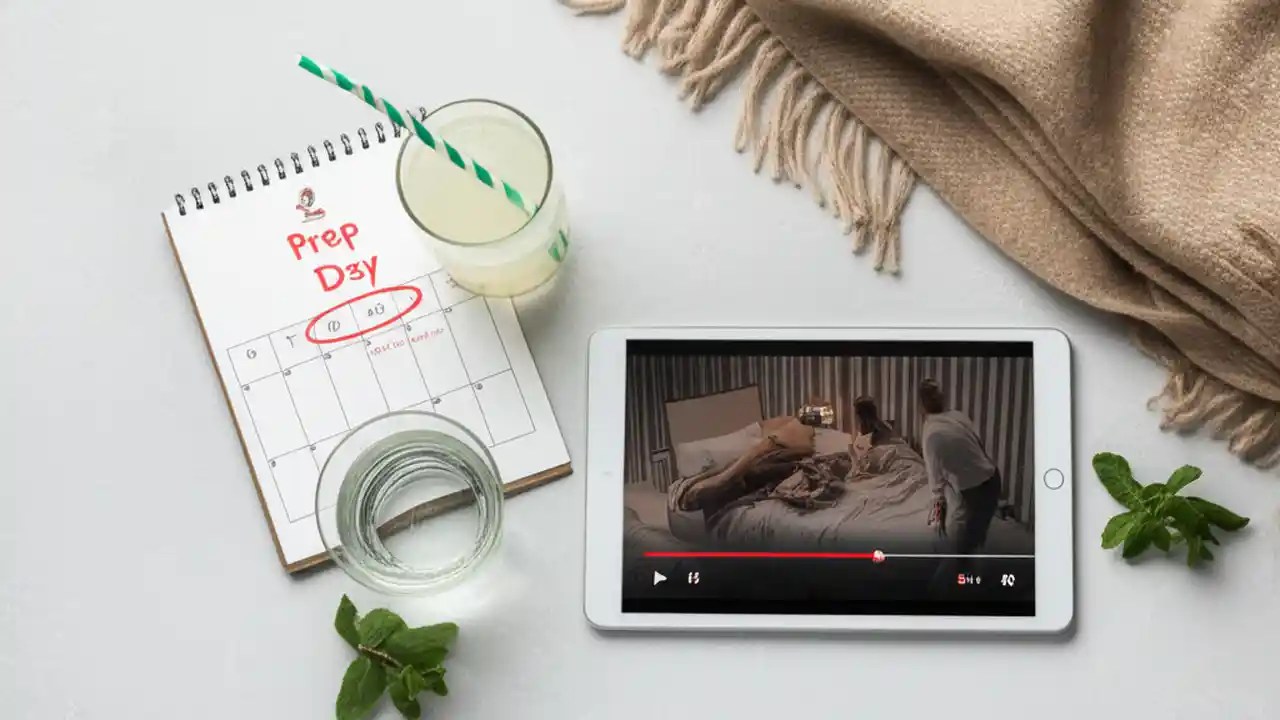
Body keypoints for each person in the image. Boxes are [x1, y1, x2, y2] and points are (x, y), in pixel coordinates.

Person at [918, 379, 1001, 556]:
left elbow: (935, 480)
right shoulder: (954, 418)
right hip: (991, 478)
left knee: (963, 546)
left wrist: (938, 514)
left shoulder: (934, 431)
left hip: (979, 487)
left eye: (936, 392)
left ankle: (960, 571)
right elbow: (937, 480)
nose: (937, 397)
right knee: (972, 536)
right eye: (932, 394)